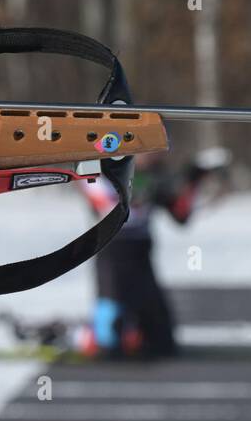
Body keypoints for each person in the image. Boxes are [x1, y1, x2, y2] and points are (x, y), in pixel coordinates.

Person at [81, 148, 228, 359]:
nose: (153, 156)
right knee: (111, 339)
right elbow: (111, 206)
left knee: (162, 341)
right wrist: (150, 188)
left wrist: (194, 177)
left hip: (141, 253)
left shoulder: (155, 174)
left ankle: (135, 336)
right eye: (147, 151)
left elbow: (181, 214)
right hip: (111, 250)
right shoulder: (105, 169)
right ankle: (89, 337)